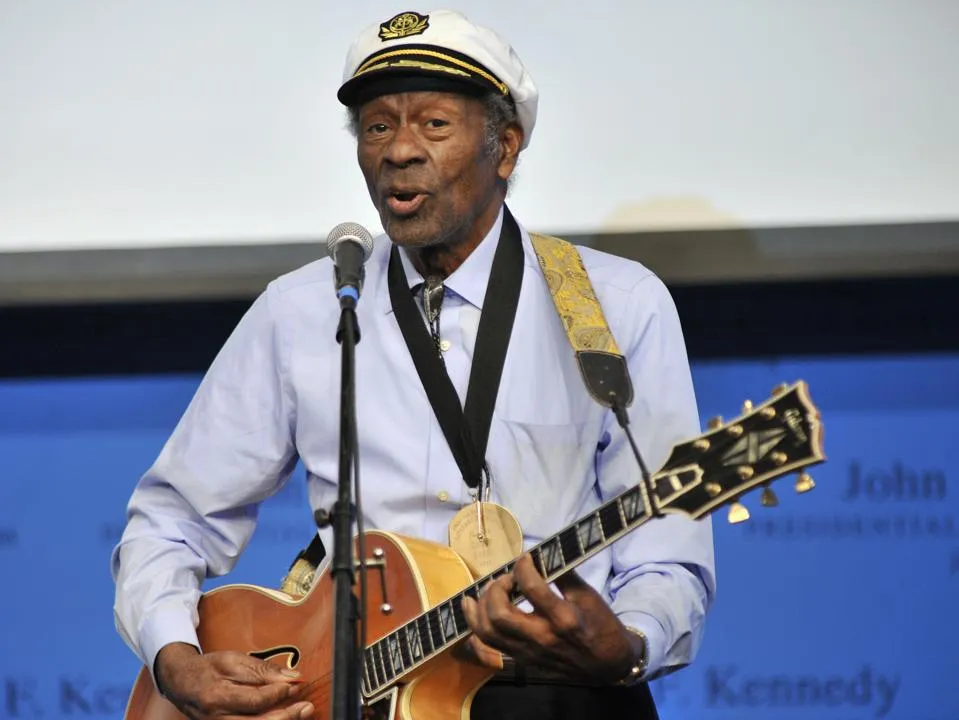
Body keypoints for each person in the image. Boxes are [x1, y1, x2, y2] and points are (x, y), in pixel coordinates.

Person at [111, 8, 716, 720]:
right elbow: (171, 519)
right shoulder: (303, 309)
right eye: (376, 127)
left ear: (506, 147)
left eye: (432, 124)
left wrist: (628, 644)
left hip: (554, 694)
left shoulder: (613, 306)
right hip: (350, 699)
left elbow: (666, 543)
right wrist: (174, 658)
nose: (398, 150)